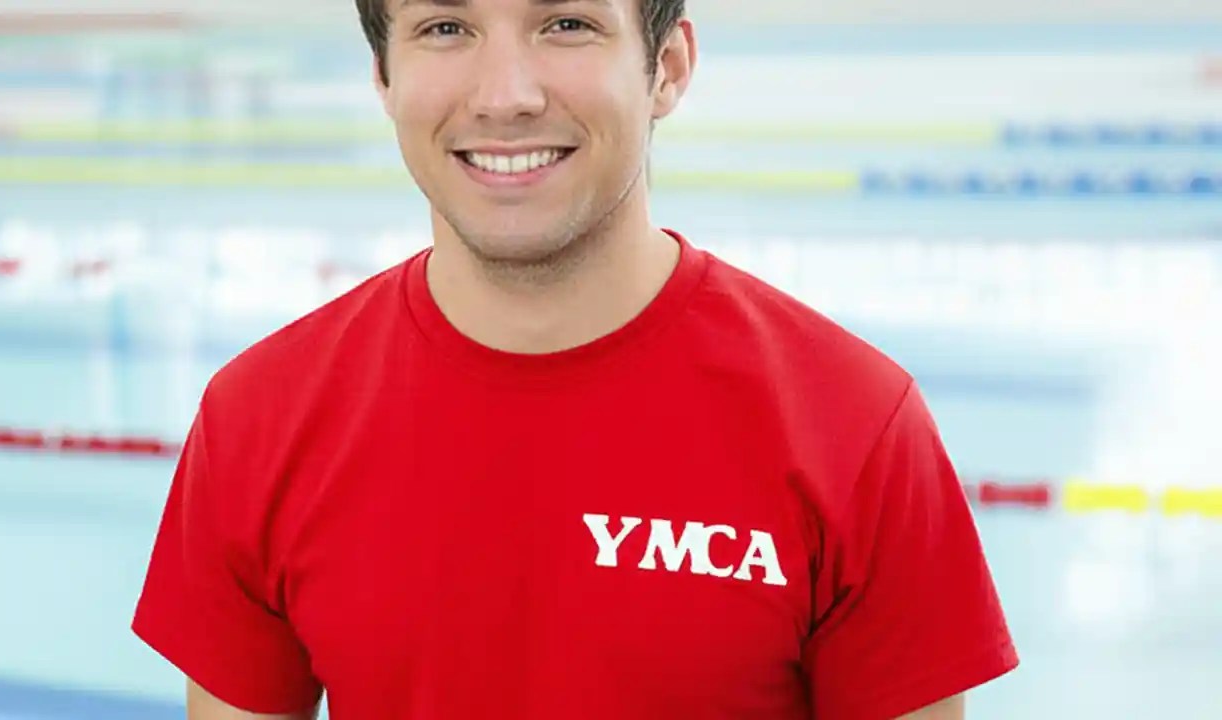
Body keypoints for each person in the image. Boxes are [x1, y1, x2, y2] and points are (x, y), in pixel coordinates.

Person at [131, 0, 1019, 717]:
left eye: (566, 24)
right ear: (383, 76)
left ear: (666, 67)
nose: (506, 94)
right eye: (446, 28)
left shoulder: (854, 424)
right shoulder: (260, 416)